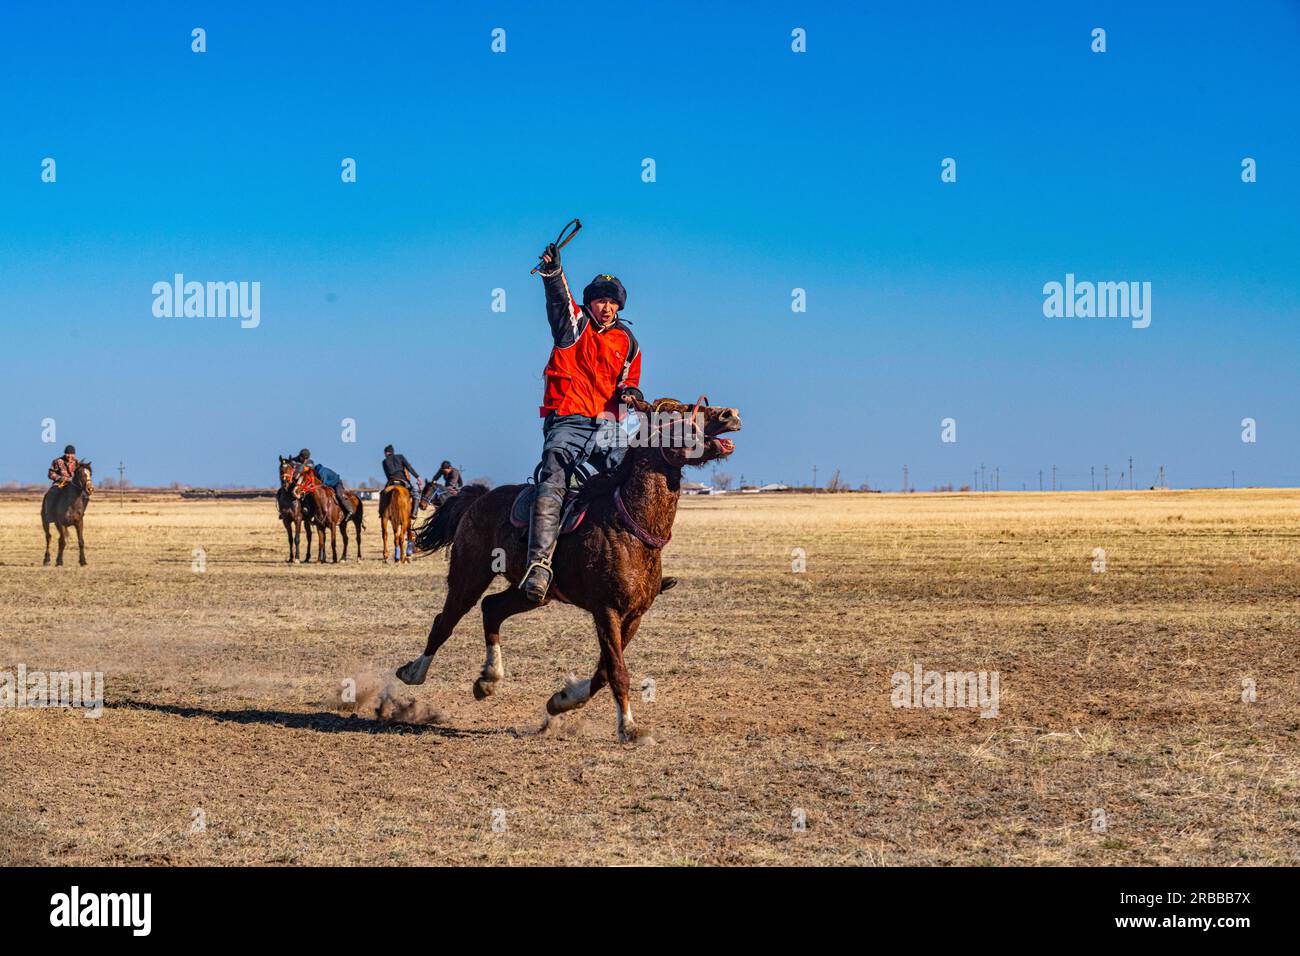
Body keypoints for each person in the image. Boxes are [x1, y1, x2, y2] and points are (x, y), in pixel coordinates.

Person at [521, 238, 643, 602]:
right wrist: (554, 273)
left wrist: (631, 394)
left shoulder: (629, 341)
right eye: (600, 300)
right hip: (568, 420)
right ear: (590, 302)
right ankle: (538, 564)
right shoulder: (573, 326)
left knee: (634, 473)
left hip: (607, 426)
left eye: (612, 301)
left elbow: (629, 381)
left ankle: (640, 563)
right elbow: (559, 300)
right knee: (554, 471)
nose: (606, 307)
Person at [291, 448, 355, 518]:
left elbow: (323, 484)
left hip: (336, 483)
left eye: (308, 470)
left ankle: (349, 510)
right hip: (328, 484)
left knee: (339, 495)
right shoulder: (315, 473)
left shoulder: (322, 473)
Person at [381, 445, 422, 512]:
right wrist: (417, 477)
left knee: (383, 494)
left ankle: (382, 512)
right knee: (415, 492)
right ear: (392, 452)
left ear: (386, 453)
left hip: (391, 481)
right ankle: (414, 512)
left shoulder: (384, 461)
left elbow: (387, 475)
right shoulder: (400, 457)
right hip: (403, 481)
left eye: (384, 453)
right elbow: (409, 468)